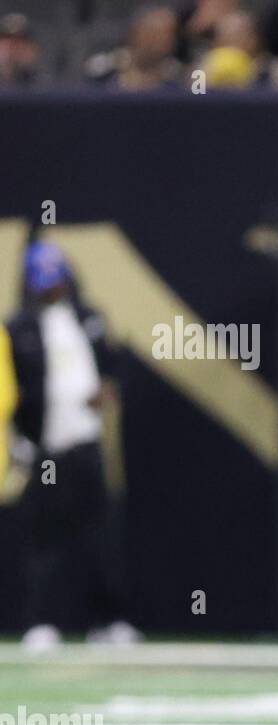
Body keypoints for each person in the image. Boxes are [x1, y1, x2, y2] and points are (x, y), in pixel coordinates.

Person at [7, 243, 138, 652]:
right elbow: (9, 392)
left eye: (58, 280)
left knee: (101, 538)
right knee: (43, 542)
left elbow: (115, 370)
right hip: (44, 449)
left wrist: (107, 391)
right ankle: (41, 622)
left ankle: (109, 621)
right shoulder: (17, 329)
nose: (53, 289)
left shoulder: (88, 318)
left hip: (85, 444)